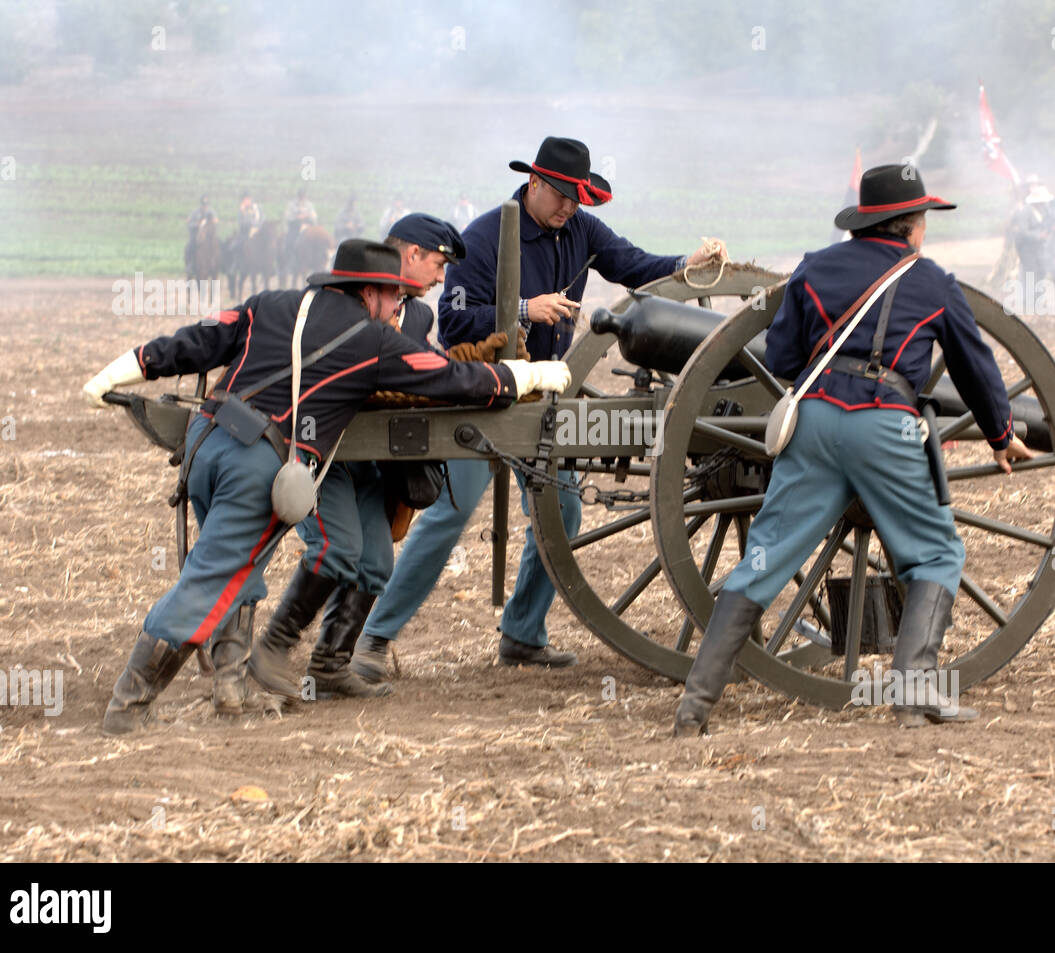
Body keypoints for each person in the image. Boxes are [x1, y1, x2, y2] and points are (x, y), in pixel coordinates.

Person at [83, 239, 570, 734]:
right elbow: (448, 378)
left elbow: (200, 340)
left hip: (204, 444)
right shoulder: (373, 340)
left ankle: (231, 691)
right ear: (372, 293)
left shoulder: (268, 304)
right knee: (210, 580)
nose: (398, 309)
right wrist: (525, 375)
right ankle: (130, 706)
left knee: (238, 569)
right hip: (257, 461)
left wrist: (126, 368)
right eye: (395, 299)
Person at [671, 164, 1032, 736]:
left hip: (812, 422)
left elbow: (784, 356)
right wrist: (1000, 432)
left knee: (763, 559)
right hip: (884, 425)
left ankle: (693, 709)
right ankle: (912, 697)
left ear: (866, 222)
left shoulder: (816, 267)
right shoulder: (932, 280)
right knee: (935, 556)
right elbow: (975, 367)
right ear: (911, 224)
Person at [352, 136, 726, 675]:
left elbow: (633, 265)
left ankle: (523, 634)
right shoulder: (483, 238)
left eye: (579, 199)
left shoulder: (582, 230)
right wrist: (525, 310)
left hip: (546, 394)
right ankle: (372, 638)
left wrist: (686, 264)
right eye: (563, 196)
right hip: (481, 391)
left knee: (564, 512)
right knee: (449, 514)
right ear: (534, 183)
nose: (571, 207)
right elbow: (457, 324)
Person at [249, 215, 467, 701]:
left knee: (374, 563)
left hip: (368, 459)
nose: (440, 279)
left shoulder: (419, 319)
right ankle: (270, 649)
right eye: (436, 264)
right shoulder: (337, 306)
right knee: (337, 550)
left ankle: (329, 665)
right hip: (319, 451)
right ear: (410, 255)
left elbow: (422, 374)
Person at [1008, 181, 1055, 283]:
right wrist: (1039, 236)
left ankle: (1038, 295)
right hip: (1026, 248)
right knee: (1031, 274)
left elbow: (1047, 224)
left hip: (1038, 248)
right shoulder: (1025, 212)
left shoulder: (1045, 211)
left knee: (1042, 271)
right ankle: (1031, 297)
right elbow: (1023, 232)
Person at [184, 195, 218, 272]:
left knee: (219, 244)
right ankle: (191, 263)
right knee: (190, 246)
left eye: (206, 205)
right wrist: (198, 224)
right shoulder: (195, 213)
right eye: (203, 205)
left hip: (209, 235)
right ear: (201, 204)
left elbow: (216, 221)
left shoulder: (211, 212)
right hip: (197, 234)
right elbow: (189, 222)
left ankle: (220, 263)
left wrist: (211, 222)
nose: (205, 207)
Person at [284, 187, 319, 259]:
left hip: (307, 226)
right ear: (298, 196)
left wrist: (307, 216)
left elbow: (314, 217)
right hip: (295, 226)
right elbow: (287, 216)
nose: (302, 198)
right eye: (300, 196)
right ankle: (290, 258)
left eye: (303, 196)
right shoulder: (292, 204)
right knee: (290, 242)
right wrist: (297, 217)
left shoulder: (309, 205)